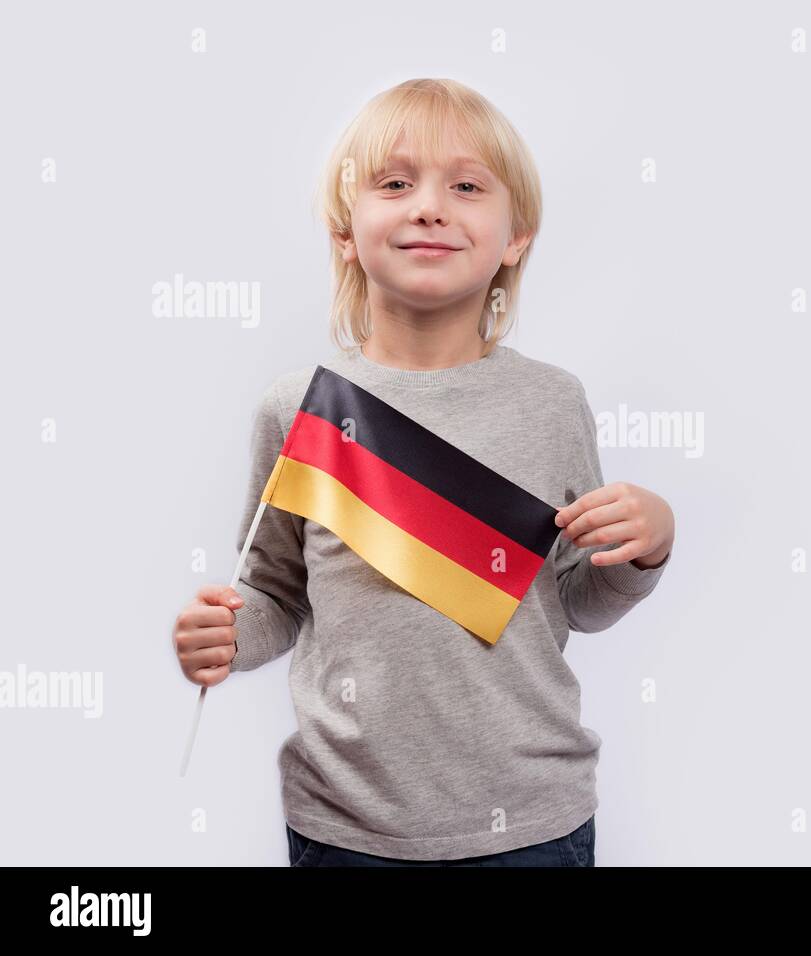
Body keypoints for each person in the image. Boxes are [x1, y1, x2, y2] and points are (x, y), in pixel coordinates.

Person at [172, 78, 675, 866]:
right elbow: (274, 590)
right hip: (345, 828)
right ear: (347, 232)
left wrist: (646, 546)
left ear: (516, 237)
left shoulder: (552, 403)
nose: (430, 207)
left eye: (466, 186)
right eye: (395, 183)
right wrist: (229, 634)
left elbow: (576, 600)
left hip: (534, 824)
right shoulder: (299, 408)